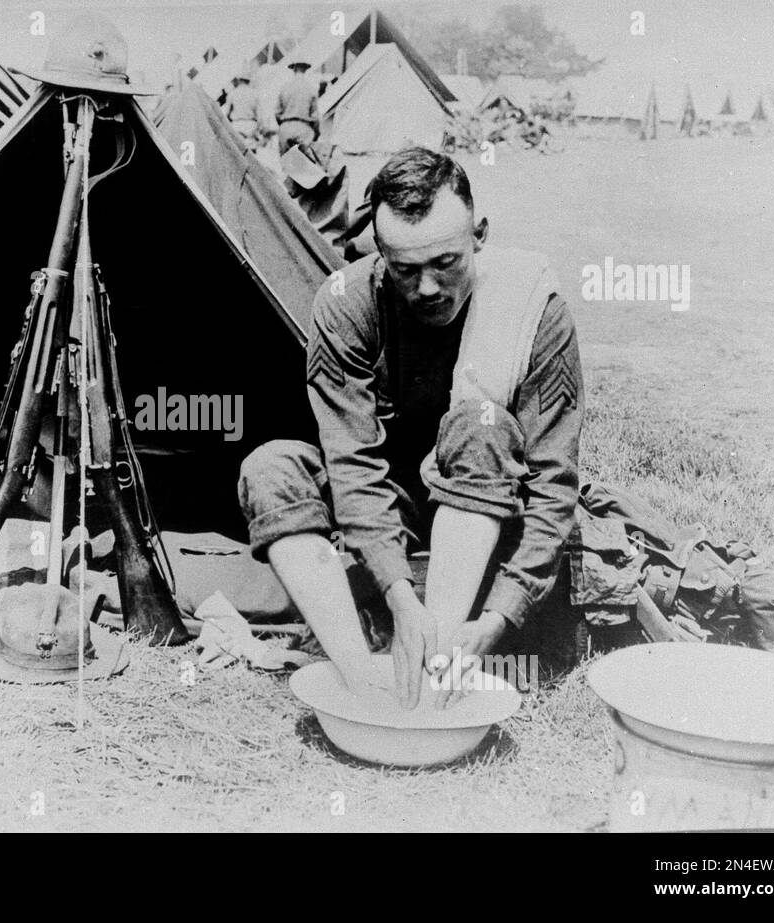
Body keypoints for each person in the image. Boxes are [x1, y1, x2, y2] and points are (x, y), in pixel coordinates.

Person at [237, 148, 583, 709]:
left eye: (445, 262)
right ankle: (361, 682)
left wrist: (499, 616)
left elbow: (553, 482)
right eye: (405, 270)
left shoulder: (533, 311)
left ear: (480, 235)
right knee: (269, 467)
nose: (426, 288)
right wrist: (398, 593)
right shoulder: (346, 306)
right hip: (386, 509)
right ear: (381, 255)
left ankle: (437, 658)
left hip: (488, 509)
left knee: (482, 422)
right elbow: (351, 463)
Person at [274, 58, 318, 153]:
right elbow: (315, 117)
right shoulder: (311, 88)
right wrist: (316, 133)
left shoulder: (285, 87)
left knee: (285, 162)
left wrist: (284, 124)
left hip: (286, 128)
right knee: (304, 163)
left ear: (293, 69)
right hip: (303, 128)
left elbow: (277, 113)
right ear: (306, 69)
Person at [224, 72, 260, 150]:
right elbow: (260, 115)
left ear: (239, 80)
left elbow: (226, 113)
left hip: (236, 125)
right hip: (251, 125)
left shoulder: (232, 93)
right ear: (249, 81)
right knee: (251, 153)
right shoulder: (254, 93)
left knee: (238, 152)